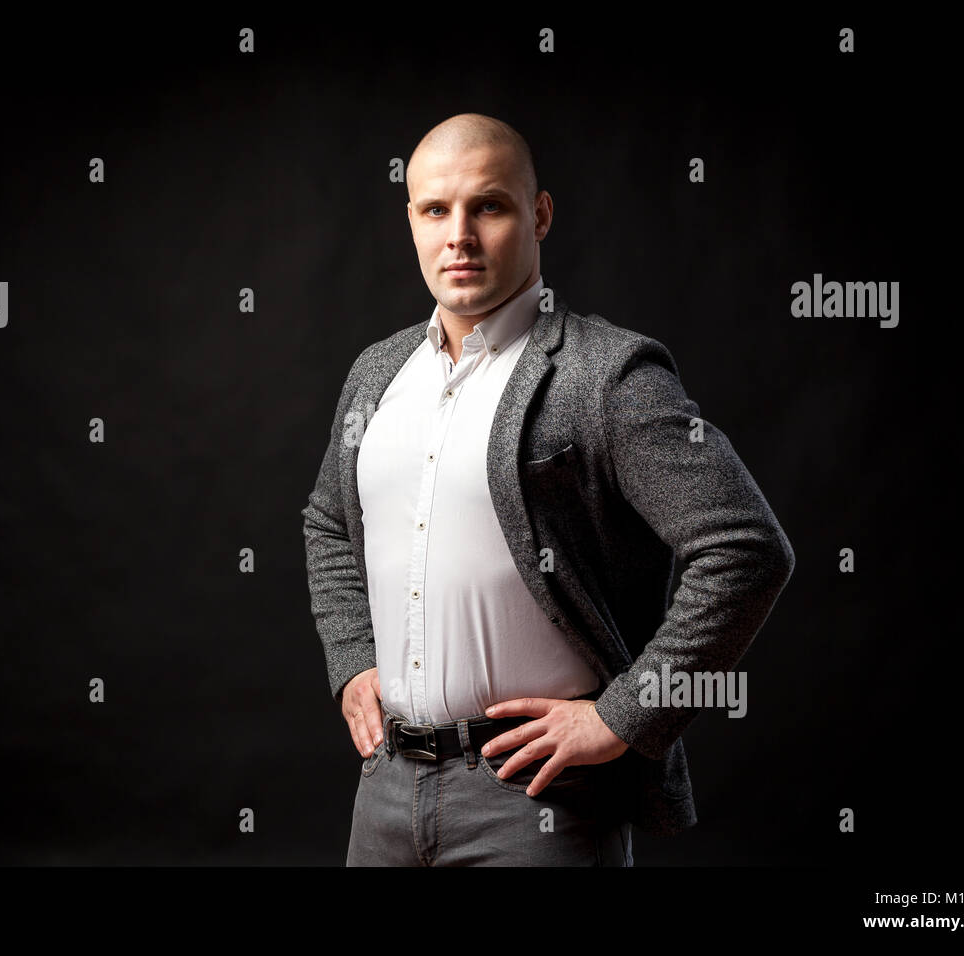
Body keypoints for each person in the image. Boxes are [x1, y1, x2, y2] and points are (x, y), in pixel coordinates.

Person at [301, 113, 795, 866]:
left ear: (540, 214)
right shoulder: (376, 374)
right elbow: (330, 522)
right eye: (436, 209)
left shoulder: (607, 375)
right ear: (411, 219)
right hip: (385, 790)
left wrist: (623, 717)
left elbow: (746, 548)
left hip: (535, 801)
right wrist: (352, 659)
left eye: (488, 206)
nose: (458, 235)